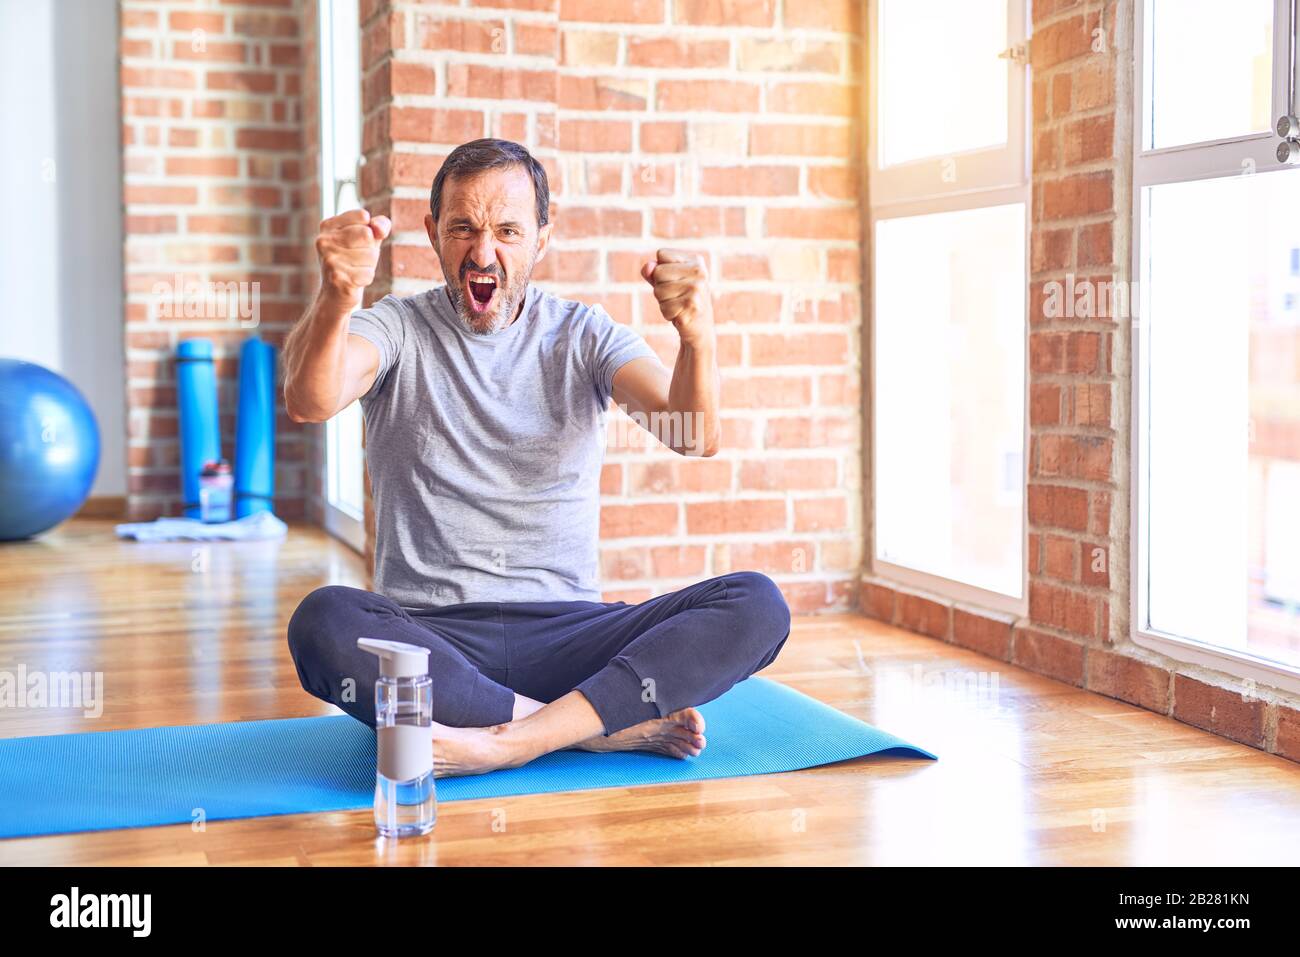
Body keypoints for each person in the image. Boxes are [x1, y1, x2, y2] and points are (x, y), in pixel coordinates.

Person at [283, 138, 790, 776]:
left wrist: (698, 334)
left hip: (571, 634)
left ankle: (510, 738)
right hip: (435, 640)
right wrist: (338, 293)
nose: (483, 250)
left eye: (507, 230)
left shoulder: (582, 334)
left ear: (541, 241)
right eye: (462, 228)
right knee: (322, 621)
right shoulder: (396, 326)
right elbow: (311, 398)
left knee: (758, 604)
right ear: (433, 233)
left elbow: (693, 433)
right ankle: (584, 729)